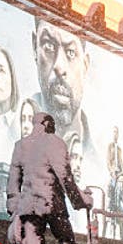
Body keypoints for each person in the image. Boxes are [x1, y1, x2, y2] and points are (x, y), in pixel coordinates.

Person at [6, 111, 93, 244]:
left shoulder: (21, 145)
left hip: (29, 205)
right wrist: (79, 200)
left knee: (34, 242)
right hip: (52, 201)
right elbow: (65, 177)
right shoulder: (55, 142)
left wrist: (14, 207)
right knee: (66, 239)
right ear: (47, 124)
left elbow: (13, 180)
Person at [31, 19, 92, 152]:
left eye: (71, 52)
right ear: (35, 47)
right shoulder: (6, 143)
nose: (59, 67)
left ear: (85, 65)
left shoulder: (102, 163)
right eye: (49, 46)